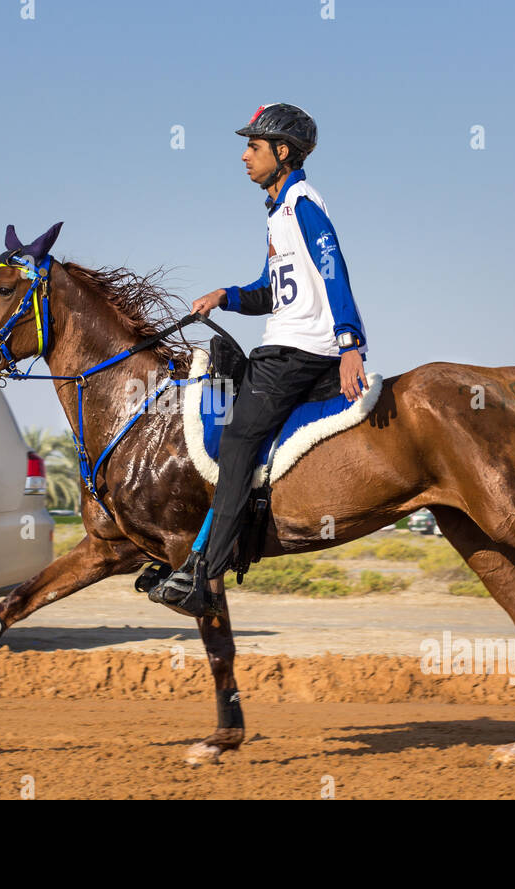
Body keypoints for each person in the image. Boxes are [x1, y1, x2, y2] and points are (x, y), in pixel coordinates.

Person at [150, 102, 369, 617]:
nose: (245, 157)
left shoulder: (302, 203)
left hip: (299, 350)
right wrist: (225, 294)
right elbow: (271, 294)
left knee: (238, 438)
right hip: (287, 343)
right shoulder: (278, 213)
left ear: (283, 152)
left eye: (254, 147)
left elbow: (334, 266)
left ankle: (205, 577)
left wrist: (350, 343)